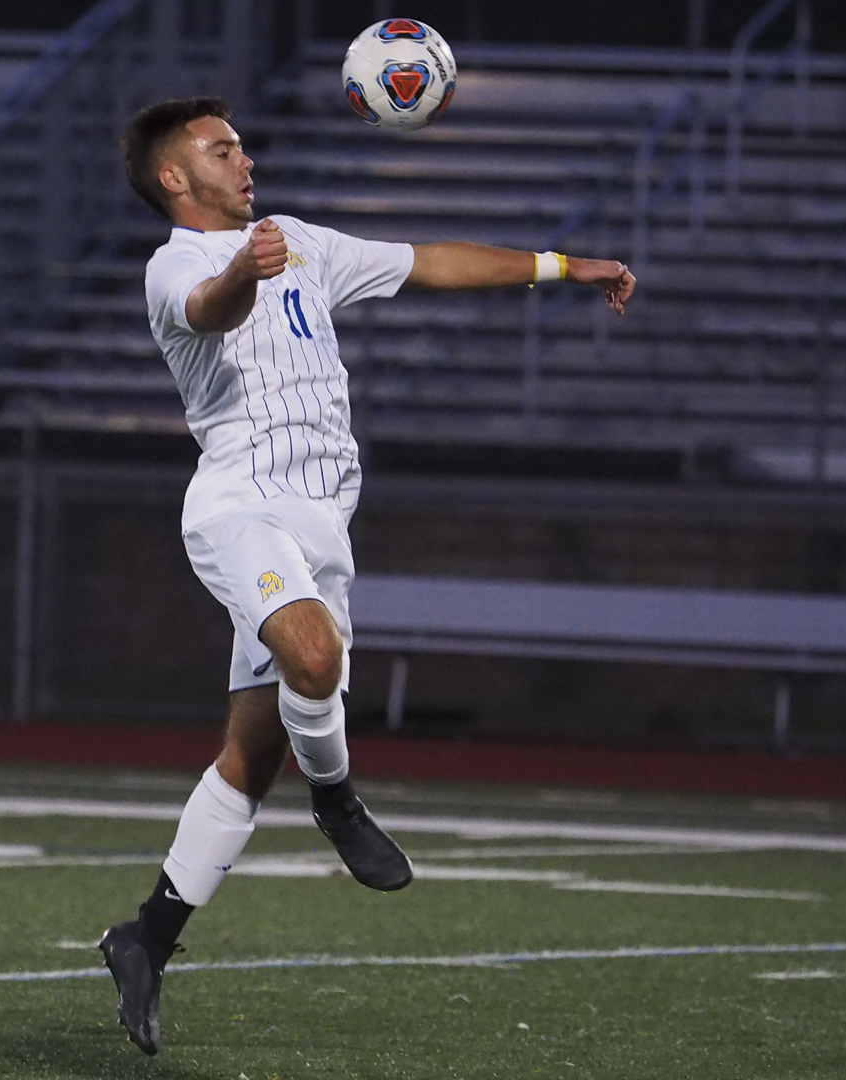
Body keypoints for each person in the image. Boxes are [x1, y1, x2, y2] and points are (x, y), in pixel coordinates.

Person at [98, 97, 637, 1056]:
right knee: (314, 656)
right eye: (222, 149)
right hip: (239, 504)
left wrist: (560, 266)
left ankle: (145, 937)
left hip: (321, 520)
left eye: (241, 142)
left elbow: (426, 261)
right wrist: (241, 273)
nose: (245, 157)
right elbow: (206, 308)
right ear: (176, 178)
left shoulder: (295, 238)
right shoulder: (178, 264)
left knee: (251, 754)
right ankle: (340, 802)